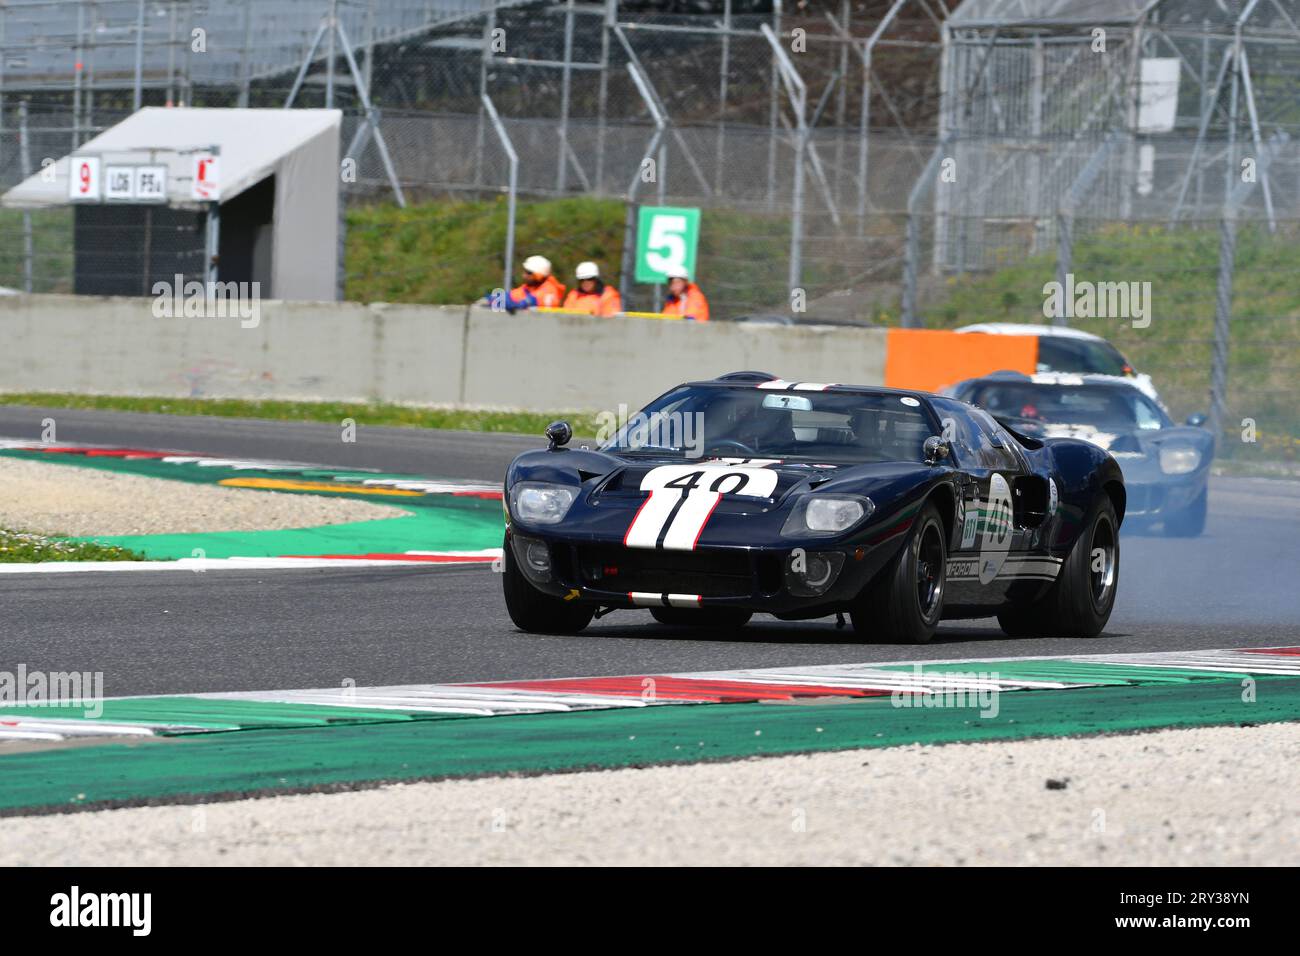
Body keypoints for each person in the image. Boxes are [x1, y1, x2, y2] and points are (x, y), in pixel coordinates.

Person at [502, 255, 566, 312]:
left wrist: (517, 304)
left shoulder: (550, 291)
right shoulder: (528, 288)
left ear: (539, 276)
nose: (524, 276)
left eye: (528, 273)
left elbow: (533, 300)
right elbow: (514, 294)